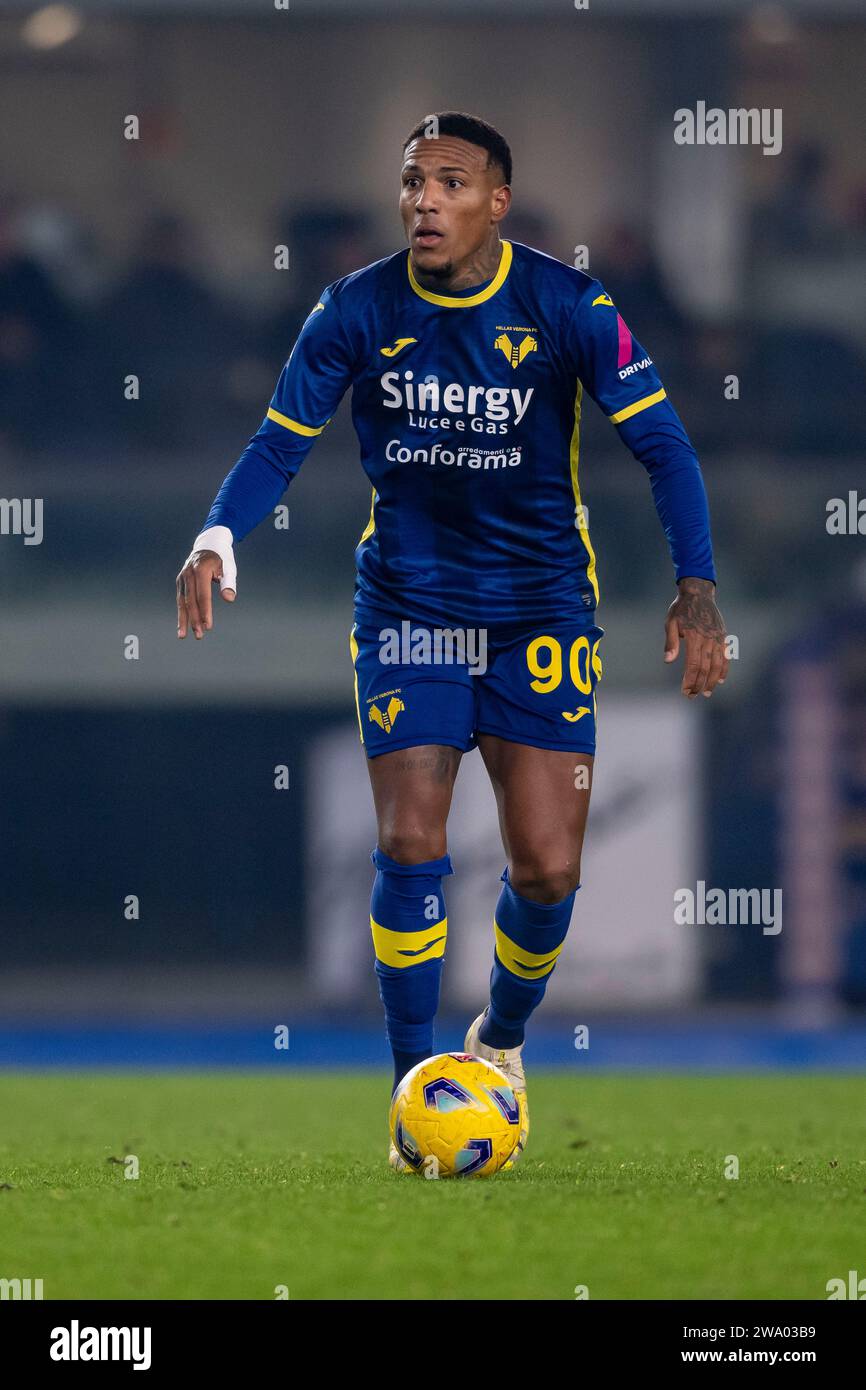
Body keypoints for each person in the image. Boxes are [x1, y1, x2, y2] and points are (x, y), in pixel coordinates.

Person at [176, 111, 727, 1170]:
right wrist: (215, 535)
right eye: (412, 181)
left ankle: (500, 1040)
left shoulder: (568, 305)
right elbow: (276, 443)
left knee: (550, 869)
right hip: (409, 609)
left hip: (538, 616)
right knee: (413, 841)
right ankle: (407, 1086)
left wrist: (694, 587)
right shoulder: (352, 308)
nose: (424, 199)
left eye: (450, 182)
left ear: (496, 202)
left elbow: (662, 445)